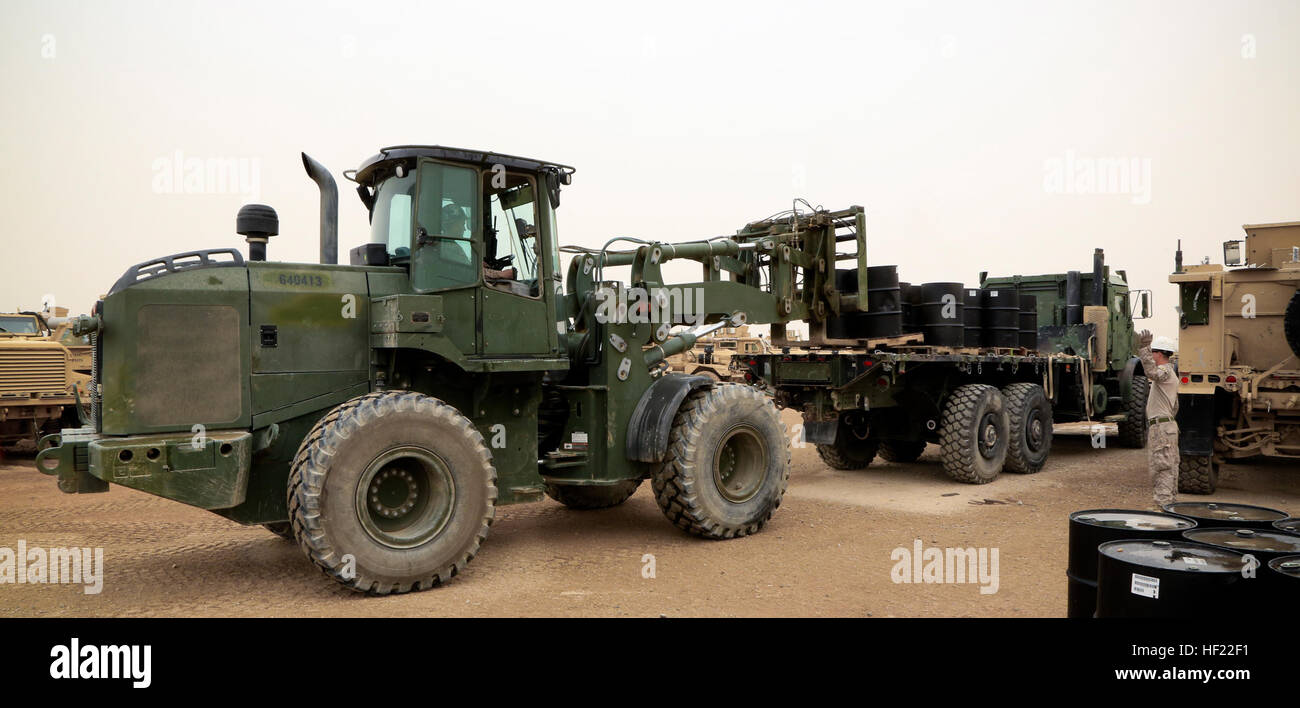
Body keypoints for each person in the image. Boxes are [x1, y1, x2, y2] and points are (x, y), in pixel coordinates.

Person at [1137, 330, 1180, 509]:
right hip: (1167, 425)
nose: (1152, 355)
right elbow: (1175, 406)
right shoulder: (1170, 374)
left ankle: (1163, 508)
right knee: (1169, 467)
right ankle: (1170, 505)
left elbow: (1152, 373)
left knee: (1162, 468)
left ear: (1159, 354)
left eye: (1153, 352)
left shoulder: (1165, 371)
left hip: (1161, 427)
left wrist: (1143, 349)